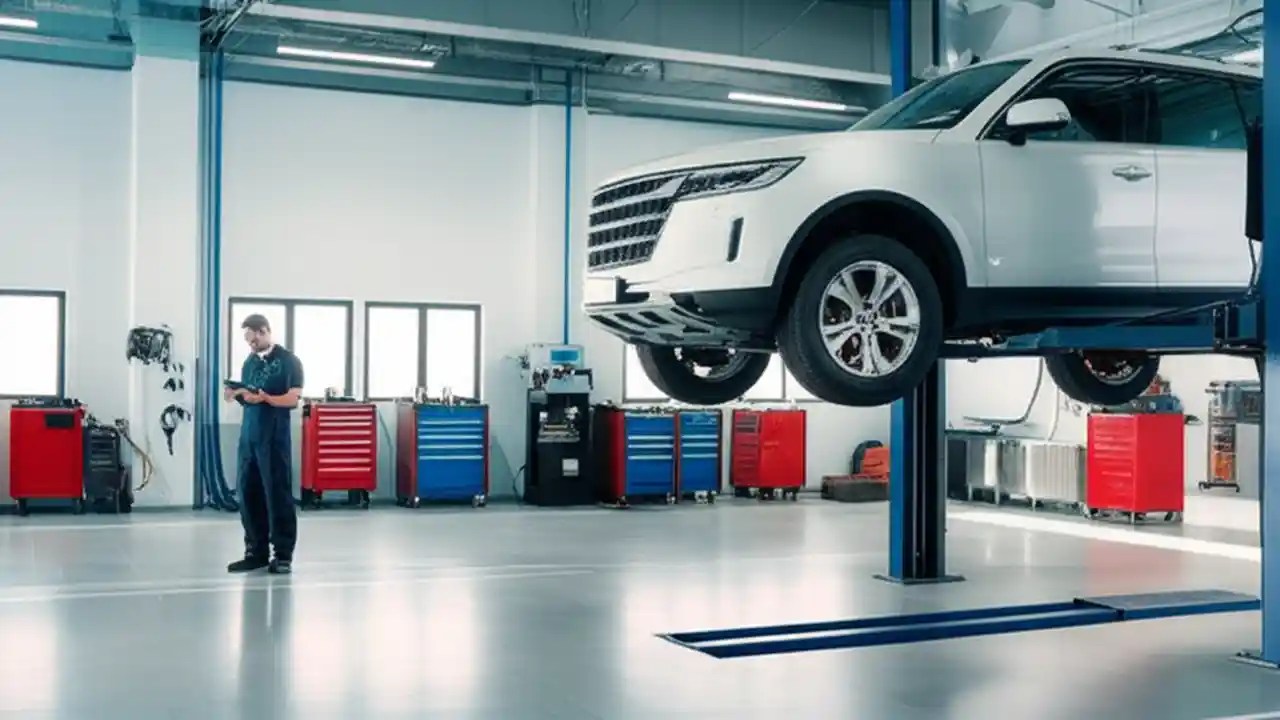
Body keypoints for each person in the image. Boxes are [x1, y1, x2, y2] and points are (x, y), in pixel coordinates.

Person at [224, 314, 304, 574]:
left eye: (253, 339)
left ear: (264, 331)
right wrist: (237, 394)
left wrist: (266, 399)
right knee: (248, 494)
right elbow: (250, 396)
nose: (251, 345)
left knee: (277, 494)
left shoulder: (289, 361)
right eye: (247, 341)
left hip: (274, 437)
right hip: (250, 436)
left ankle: (282, 555)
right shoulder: (249, 363)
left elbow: (293, 399)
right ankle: (255, 552)